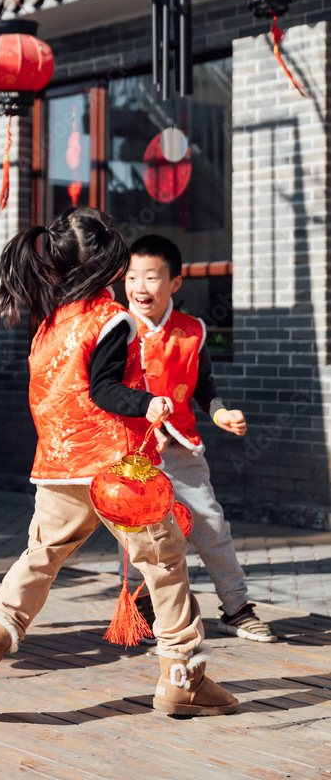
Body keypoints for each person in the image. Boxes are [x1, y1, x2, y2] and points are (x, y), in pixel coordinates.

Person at [0, 206, 238, 717]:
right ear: (105, 266)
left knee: (39, 558)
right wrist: (145, 403)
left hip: (56, 466)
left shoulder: (51, 323)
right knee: (164, 562)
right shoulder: (111, 319)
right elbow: (102, 389)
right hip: (116, 472)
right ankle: (182, 677)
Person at [119, 234, 276, 643]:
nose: (139, 287)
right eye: (131, 276)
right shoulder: (117, 329)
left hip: (183, 451)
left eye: (151, 277)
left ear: (174, 283)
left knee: (210, 525)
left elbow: (204, 383)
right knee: (144, 536)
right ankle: (144, 609)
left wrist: (221, 413)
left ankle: (236, 608)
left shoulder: (193, 331)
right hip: (135, 454)